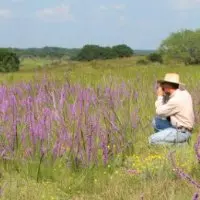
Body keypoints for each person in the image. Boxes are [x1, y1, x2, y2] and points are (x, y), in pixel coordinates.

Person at [149, 73, 195, 145]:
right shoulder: (184, 93)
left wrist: (160, 96)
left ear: (168, 85)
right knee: (156, 121)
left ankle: (182, 144)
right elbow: (166, 111)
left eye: (163, 84)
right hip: (180, 127)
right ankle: (171, 138)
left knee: (152, 140)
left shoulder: (176, 100)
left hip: (181, 132)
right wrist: (165, 95)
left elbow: (159, 111)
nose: (162, 87)